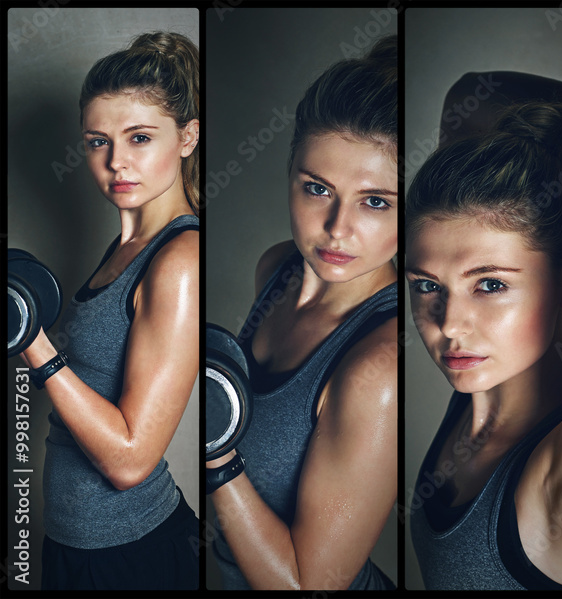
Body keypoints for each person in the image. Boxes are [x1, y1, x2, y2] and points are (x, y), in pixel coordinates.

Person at [206, 35, 398, 591]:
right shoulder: (275, 269)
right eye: (318, 188)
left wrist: (218, 457)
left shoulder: (376, 370)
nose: (338, 227)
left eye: (375, 200)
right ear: (290, 172)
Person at [16, 31, 200, 590]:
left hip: (132, 554)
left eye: (139, 137)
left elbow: (129, 461)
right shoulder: (125, 247)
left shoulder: (180, 259)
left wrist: (31, 338)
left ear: (188, 137)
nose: (116, 161)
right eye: (98, 141)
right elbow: (92, 386)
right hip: (74, 544)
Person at [406, 102, 562, 590]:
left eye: (490, 285)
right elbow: (464, 94)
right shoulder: (478, 386)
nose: (449, 325)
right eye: (427, 285)